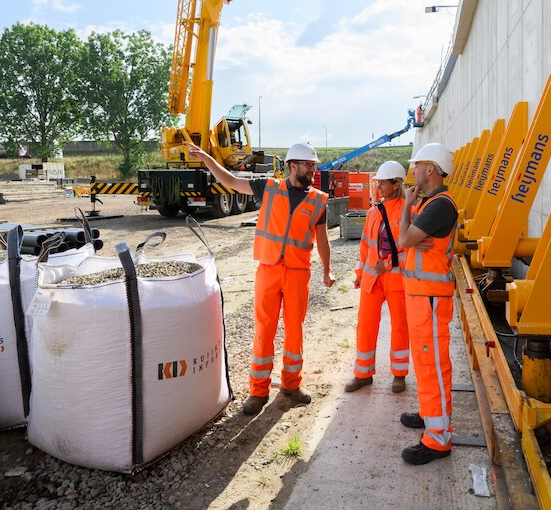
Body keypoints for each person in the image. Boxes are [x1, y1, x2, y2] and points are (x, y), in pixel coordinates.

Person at [186, 141, 335, 416]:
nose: (312, 170)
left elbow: (323, 239)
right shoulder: (268, 187)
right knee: (264, 330)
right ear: (292, 166)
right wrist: (207, 158)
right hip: (268, 270)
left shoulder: (319, 200)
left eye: (314, 166)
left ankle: (291, 385)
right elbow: (230, 180)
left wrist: (327, 269)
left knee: (294, 331)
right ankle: (258, 391)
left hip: (299, 274)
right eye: (307, 165)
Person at [395, 142, 458, 465]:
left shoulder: (439, 206)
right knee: (424, 364)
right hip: (421, 298)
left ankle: (437, 440)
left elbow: (404, 240)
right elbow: (404, 240)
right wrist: (410, 222)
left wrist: (407, 207)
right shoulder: (428, 203)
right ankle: (428, 413)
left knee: (433, 365)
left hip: (431, 300)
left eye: (417, 166)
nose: (413, 171)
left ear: (430, 169)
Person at [345, 160, 411, 394]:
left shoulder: (408, 211)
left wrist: (391, 263)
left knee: (400, 326)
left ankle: (399, 374)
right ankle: (363, 374)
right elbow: (365, 246)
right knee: (365, 326)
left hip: (396, 279)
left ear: (396, 184)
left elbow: (412, 250)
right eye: (378, 184)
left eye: (382, 184)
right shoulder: (374, 212)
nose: (378, 188)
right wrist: (360, 274)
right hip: (372, 280)